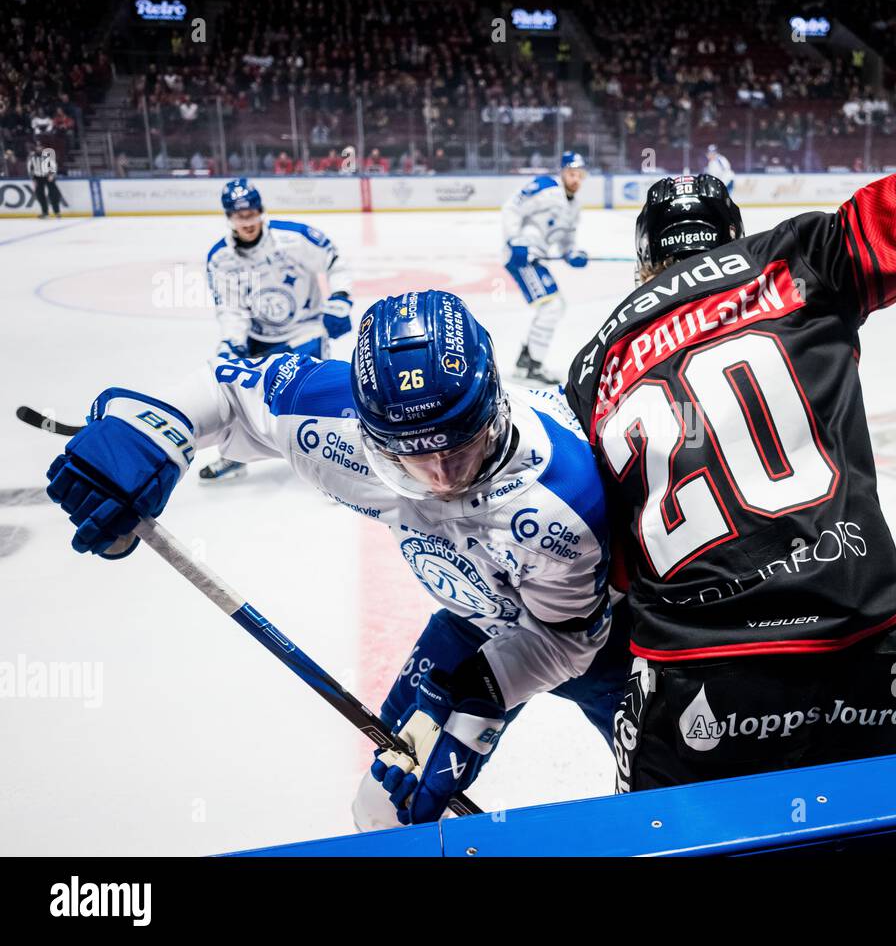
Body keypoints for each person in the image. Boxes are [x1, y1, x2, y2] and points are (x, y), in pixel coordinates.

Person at [563, 127, 896, 792]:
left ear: (644, 262)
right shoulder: (794, 258)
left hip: (700, 680)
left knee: (677, 842)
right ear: (732, 233)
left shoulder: (592, 370)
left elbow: (605, 568)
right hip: (868, 652)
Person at [42, 290, 625, 828]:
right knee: (384, 812)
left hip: (602, 632)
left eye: (460, 447)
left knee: (671, 793)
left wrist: (480, 706)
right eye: (412, 458)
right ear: (366, 428)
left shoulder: (563, 501)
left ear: (494, 410)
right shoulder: (328, 418)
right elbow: (227, 390)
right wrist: (146, 433)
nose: (442, 477)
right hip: (474, 611)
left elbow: (565, 639)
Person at [200, 177, 354, 482]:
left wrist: (340, 297)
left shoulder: (293, 238)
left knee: (316, 398)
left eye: (252, 213)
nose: (247, 222)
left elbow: (334, 261)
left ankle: (337, 464)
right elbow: (229, 306)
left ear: (261, 211)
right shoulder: (220, 258)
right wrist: (232, 341)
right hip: (259, 338)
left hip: (305, 332)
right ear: (229, 217)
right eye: (239, 216)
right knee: (240, 400)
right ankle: (234, 456)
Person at [502, 150, 588, 384]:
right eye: (572, 173)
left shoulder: (574, 207)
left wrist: (572, 253)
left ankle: (527, 359)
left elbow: (566, 240)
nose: (576, 179)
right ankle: (533, 364)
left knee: (554, 306)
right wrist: (514, 241)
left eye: (580, 175)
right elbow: (512, 208)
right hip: (522, 256)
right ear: (562, 171)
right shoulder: (545, 187)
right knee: (552, 306)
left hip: (536, 257)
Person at [27, 144, 62, 218]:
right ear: (35, 148)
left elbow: (53, 165)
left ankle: (57, 212)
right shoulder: (32, 157)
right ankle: (45, 213)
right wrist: (33, 179)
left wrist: (52, 175)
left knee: (53, 194)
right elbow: (29, 168)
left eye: (40, 147)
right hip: (38, 178)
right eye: (37, 147)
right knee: (40, 195)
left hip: (48, 176)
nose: (39, 148)